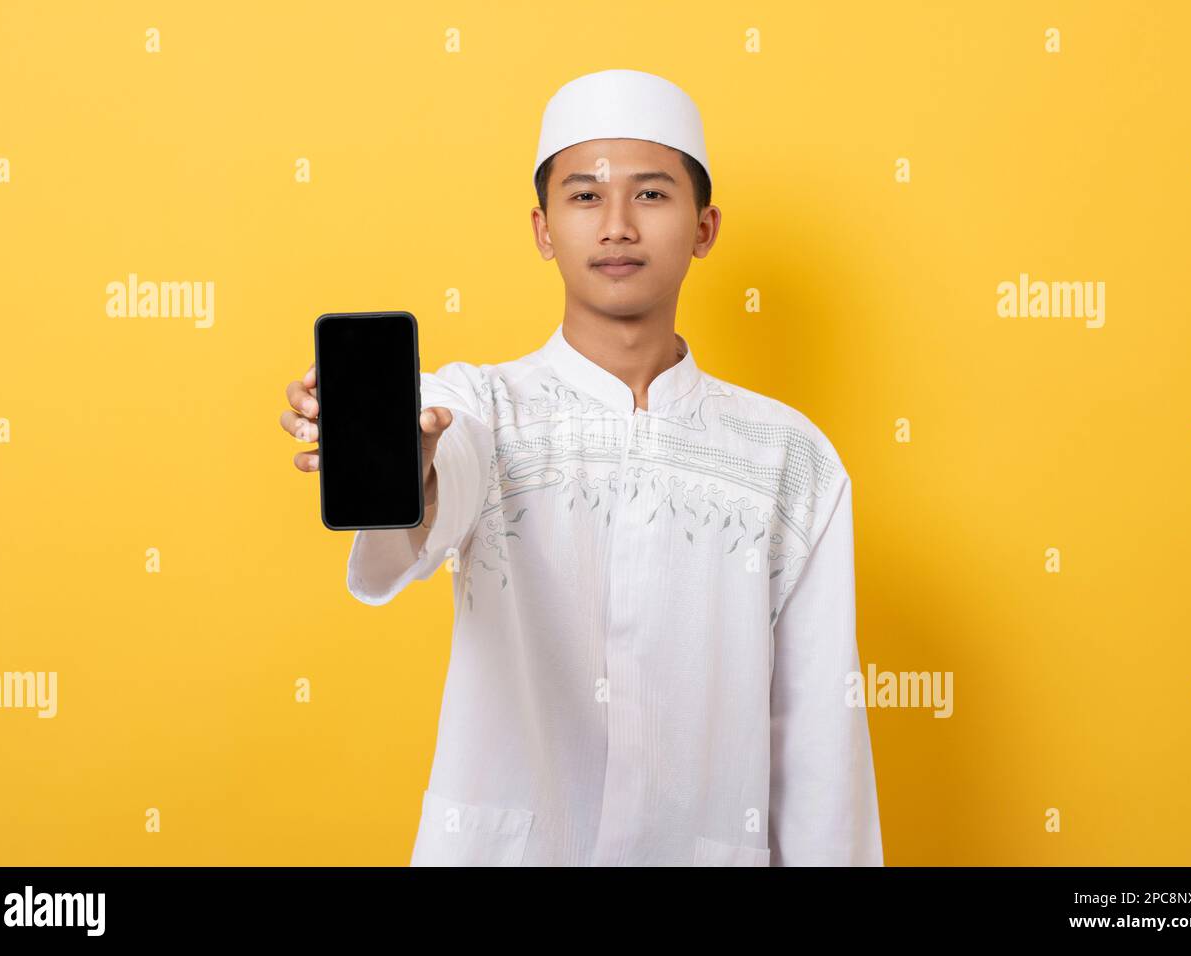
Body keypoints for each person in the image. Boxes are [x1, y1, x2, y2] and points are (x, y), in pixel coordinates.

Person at [279, 68, 883, 866]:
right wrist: (408, 453)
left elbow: (818, 741)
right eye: (586, 196)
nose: (618, 227)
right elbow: (443, 465)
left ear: (705, 228)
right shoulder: (484, 408)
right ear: (542, 227)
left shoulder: (789, 458)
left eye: (653, 195)